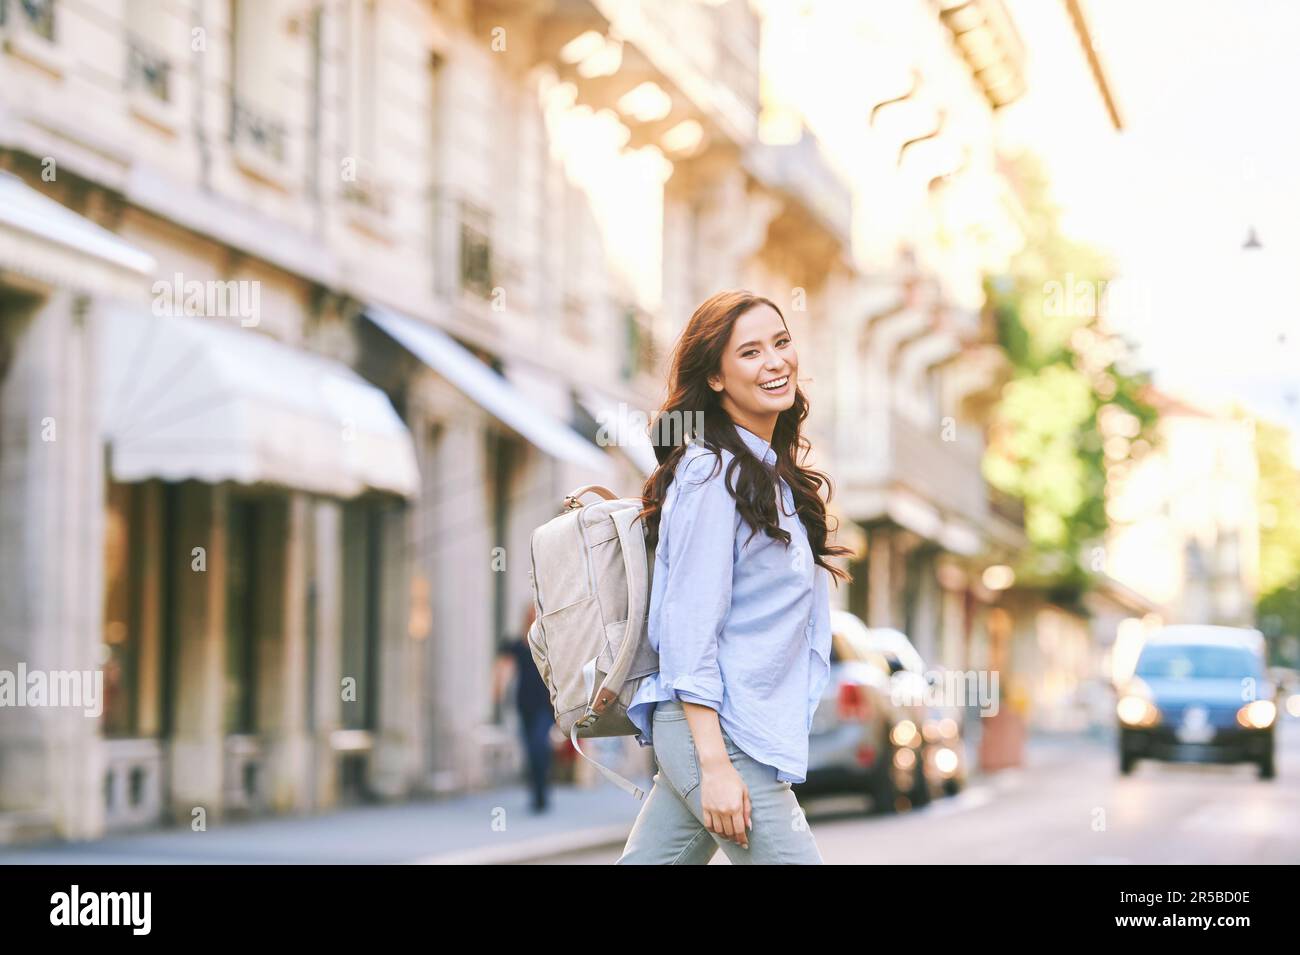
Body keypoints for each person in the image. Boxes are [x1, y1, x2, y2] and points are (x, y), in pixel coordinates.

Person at [616, 290, 853, 865]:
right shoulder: (709, 473)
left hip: (737, 729)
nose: (775, 362)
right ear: (716, 379)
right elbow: (689, 627)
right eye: (750, 352)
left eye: (781, 342)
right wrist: (714, 766)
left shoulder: (771, 476)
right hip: (720, 732)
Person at [493, 604, 555, 813]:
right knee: (530, 750)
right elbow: (503, 666)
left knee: (539, 746)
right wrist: (497, 690)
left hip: (545, 706)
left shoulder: (548, 643)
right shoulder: (518, 644)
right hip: (523, 704)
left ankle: (542, 794)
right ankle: (536, 792)